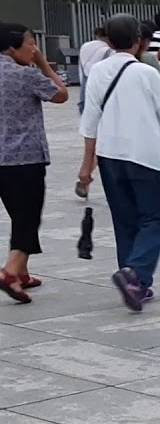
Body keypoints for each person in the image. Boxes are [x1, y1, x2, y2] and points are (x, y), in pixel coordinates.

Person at [78, 13, 160, 312]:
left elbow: (89, 122)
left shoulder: (97, 72)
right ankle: (134, 276)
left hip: (109, 157)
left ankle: (136, 281)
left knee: (125, 218)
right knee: (156, 216)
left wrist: (86, 167)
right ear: (137, 41)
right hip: (143, 156)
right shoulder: (146, 73)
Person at [0, 22, 68, 304]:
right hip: (24, 158)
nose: (34, 49)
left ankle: (23, 271)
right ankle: (10, 272)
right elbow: (61, 93)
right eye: (30, 44)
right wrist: (42, 63)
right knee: (28, 215)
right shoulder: (23, 75)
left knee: (18, 213)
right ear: (12, 46)